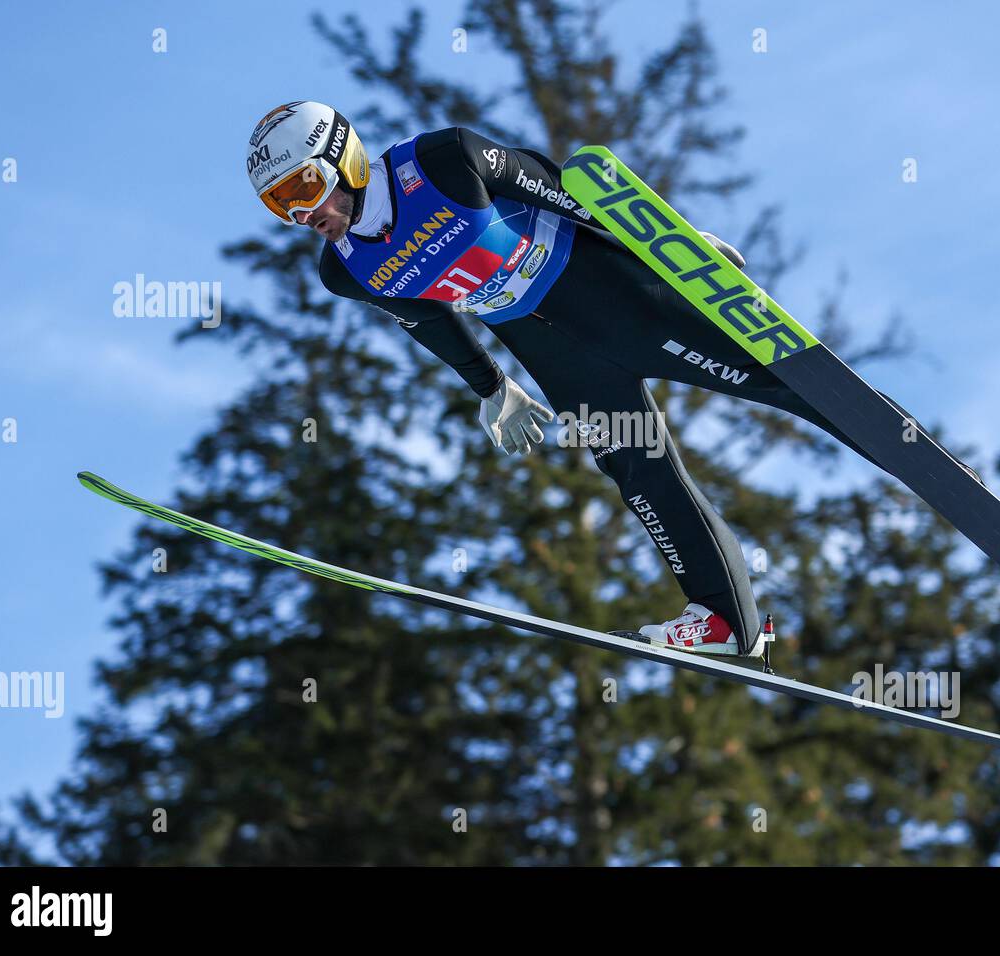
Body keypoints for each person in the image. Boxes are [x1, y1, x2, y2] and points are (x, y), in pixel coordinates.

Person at [246, 101, 922, 659]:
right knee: (638, 468)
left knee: (774, 377)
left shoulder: (443, 162)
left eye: (304, 188)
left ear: (346, 159)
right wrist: (491, 386)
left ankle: (916, 459)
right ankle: (727, 623)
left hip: (608, 293)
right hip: (550, 348)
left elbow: (564, 188)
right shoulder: (346, 269)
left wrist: (674, 249)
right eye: (283, 206)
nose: (305, 215)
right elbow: (427, 321)